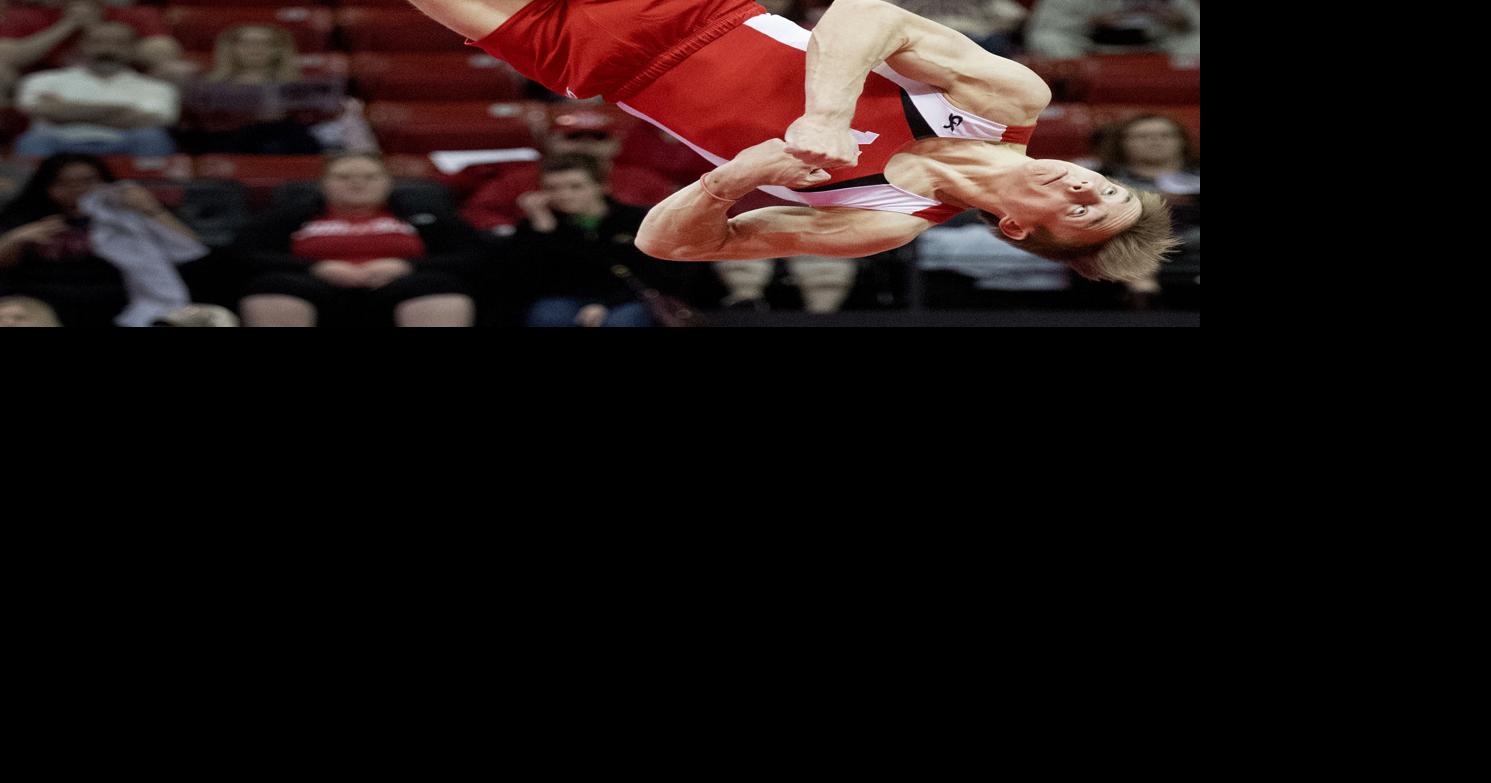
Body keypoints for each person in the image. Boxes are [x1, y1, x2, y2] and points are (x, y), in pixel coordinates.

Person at [407, 0, 1178, 282]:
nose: (1085, 186)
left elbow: (668, 247)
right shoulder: (1009, 99)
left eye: (1086, 211)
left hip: (584, 59)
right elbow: (864, 14)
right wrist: (827, 117)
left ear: (1016, 228)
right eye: (1103, 185)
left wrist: (724, 185)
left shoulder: (879, 221)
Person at [236, 153, 485, 328]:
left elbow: (471, 254)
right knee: (272, 285)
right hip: (311, 287)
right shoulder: (289, 216)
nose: (357, 184)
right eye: (343, 177)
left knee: (439, 285)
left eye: (370, 177)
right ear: (323, 184)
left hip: (404, 286)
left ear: (388, 182)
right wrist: (315, 268)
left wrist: (406, 266)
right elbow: (247, 254)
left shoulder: (426, 215)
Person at [0, 153, 199, 326]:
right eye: (65, 183)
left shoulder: (124, 214)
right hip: (41, 296)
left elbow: (192, 250)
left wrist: (152, 210)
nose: (77, 189)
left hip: (117, 298)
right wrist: (17, 239)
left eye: (88, 181)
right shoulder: (22, 216)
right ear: (46, 186)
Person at [12, 21, 179, 156]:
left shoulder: (158, 88)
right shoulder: (42, 80)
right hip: (61, 141)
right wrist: (124, 112)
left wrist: (64, 111)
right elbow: (35, 110)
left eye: (119, 43)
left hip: (125, 143)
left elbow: (155, 120)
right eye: (97, 42)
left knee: (152, 138)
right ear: (81, 45)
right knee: (34, 140)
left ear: (134, 48)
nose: (107, 49)